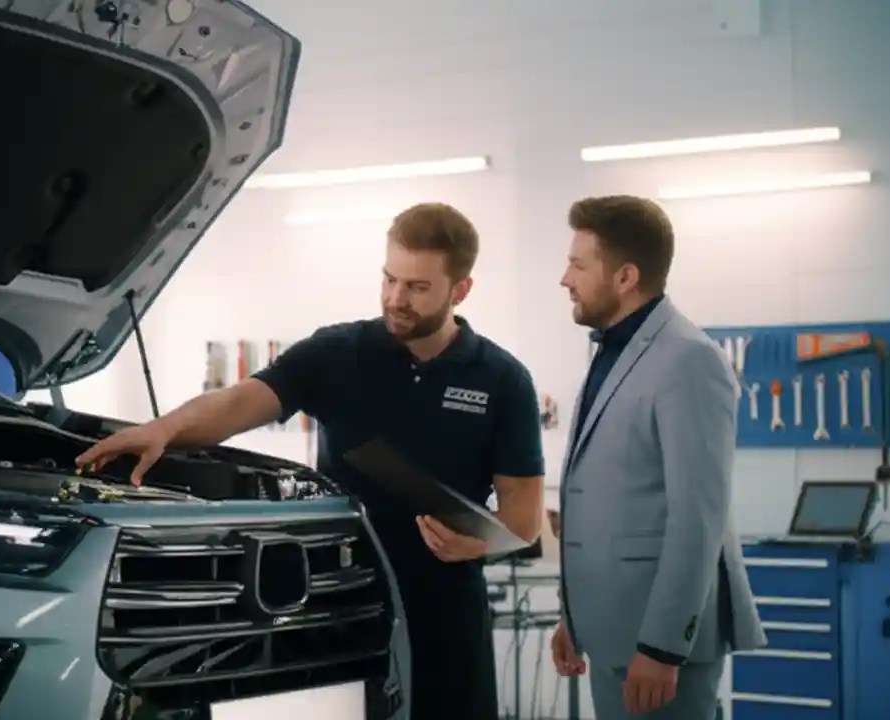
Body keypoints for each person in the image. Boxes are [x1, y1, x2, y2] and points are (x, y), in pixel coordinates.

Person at [75, 202, 546, 720]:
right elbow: (240, 402)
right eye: (389, 279)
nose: (396, 298)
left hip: (446, 611)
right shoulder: (338, 353)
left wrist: (480, 544)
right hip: (338, 604)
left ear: (461, 289)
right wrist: (164, 429)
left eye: (417, 287)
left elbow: (522, 519)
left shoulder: (502, 380)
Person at [550, 195, 766, 719]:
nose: (565, 279)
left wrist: (664, 645)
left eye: (578, 265)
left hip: (655, 647)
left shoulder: (689, 360)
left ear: (625, 277)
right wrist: (573, 616)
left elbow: (698, 517)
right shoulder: (614, 351)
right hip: (609, 631)